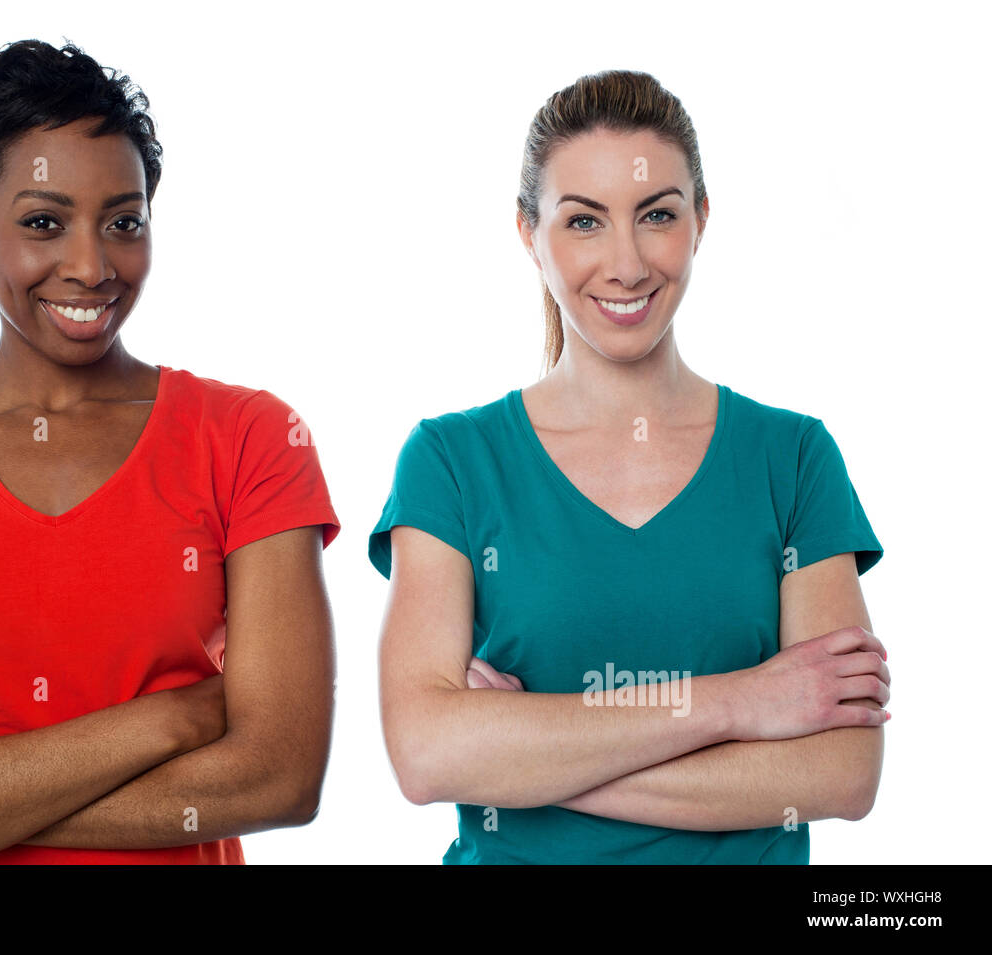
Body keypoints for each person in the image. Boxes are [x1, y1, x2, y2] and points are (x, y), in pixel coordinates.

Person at [0, 39, 340, 865]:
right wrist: (180, 717)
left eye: (123, 222)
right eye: (43, 223)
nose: (90, 267)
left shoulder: (251, 439)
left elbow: (280, 777)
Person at [368, 69, 888, 864]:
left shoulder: (794, 459)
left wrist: (528, 755)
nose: (627, 263)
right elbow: (426, 755)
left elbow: (843, 771)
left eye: (657, 216)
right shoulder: (451, 462)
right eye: (583, 221)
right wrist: (744, 701)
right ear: (527, 233)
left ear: (701, 219)